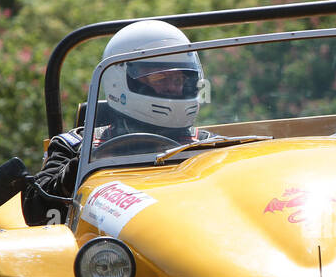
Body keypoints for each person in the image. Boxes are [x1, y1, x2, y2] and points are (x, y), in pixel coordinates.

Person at [23, 20, 212, 224]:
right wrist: (85, 163)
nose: (173, 89)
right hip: (109, 251)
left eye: (179, 80)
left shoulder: (210, 145)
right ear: (118, 81)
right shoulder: (75, 145)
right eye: (160, 79)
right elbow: (36, 214)